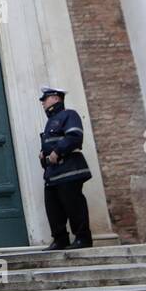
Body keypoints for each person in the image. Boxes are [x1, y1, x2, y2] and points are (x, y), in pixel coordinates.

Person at [38, 85, 93, 250]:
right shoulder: (50, 122)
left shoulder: (69, 115)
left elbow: (74, 136)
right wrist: (43, 153)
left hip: (69, 169)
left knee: (74, 205)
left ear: (55, 98)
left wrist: (58, 151)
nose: (42, 102)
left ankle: (83, 238)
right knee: (53, 208)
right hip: (53, 173)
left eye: (45, 99)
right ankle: (60, 239)